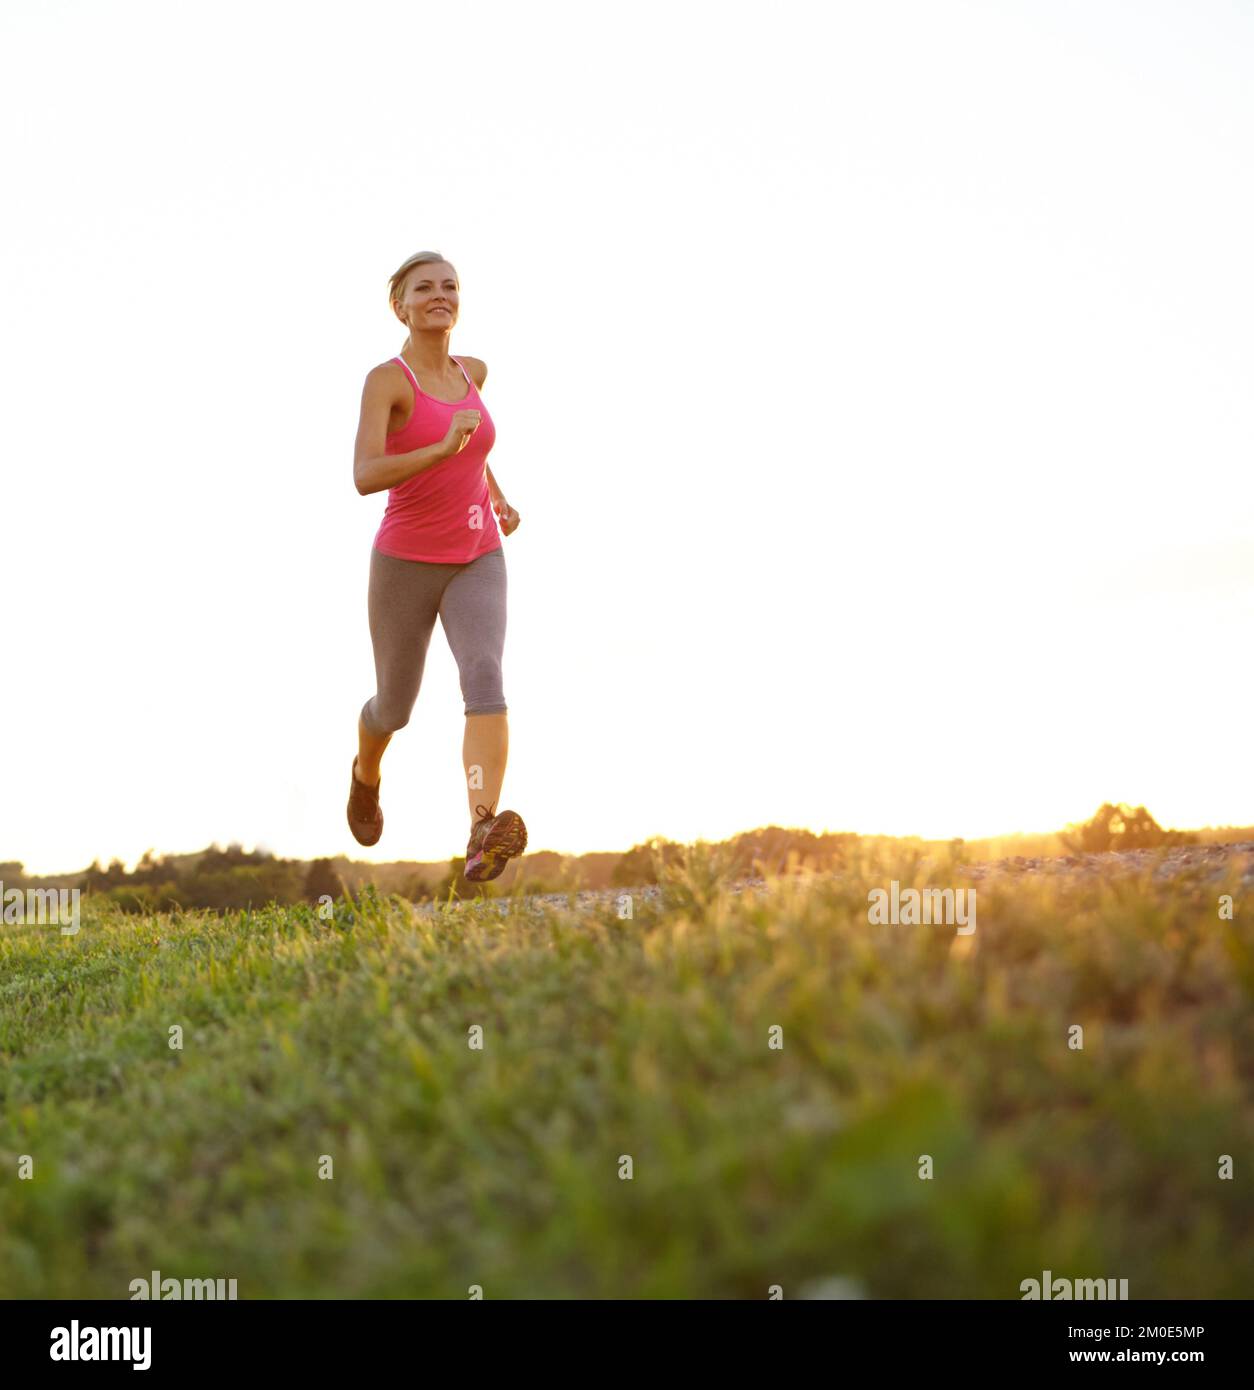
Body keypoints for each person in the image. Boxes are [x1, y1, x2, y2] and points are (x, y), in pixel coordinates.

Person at [348, 250, 526, 883]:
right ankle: (366, 773)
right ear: (400, 305)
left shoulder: (472, 371)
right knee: (394, 708)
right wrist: (439, 446)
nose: (439, 294)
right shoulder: (388, 381)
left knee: (485, 678)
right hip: (405, 563)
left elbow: (471, 446)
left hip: (477, 554)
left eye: (449, 285)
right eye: (424, 288)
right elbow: (365, 474)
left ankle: (482, 829)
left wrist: (494, 492)